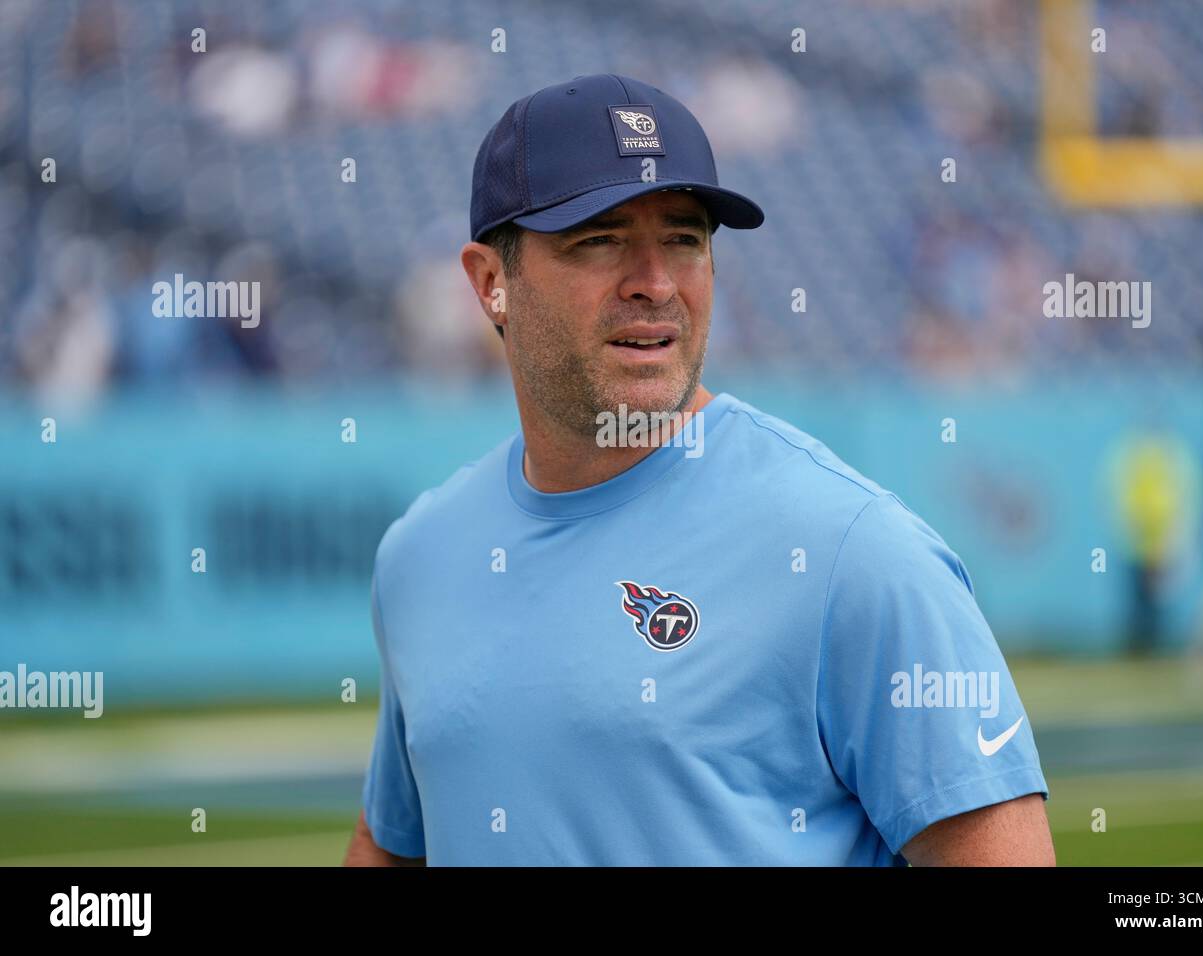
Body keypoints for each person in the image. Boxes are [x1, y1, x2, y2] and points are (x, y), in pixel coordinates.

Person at [344, 74, 1053, 866]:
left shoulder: (856, 552)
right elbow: (392, 842)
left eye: (684, 238)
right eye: (599, 239)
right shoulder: (420, 554)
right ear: (489, 283)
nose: (655, 282)